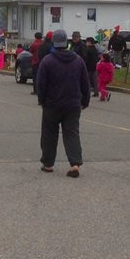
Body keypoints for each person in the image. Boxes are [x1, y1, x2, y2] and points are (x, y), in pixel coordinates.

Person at [36, 29, 90, 178]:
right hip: (73, 104)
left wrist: (41, 100)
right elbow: (85, 83)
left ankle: (48, 164)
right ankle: (75, 164)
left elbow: (41, 84)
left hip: (52, 104)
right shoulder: (78, 60)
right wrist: (85, 101)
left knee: (49, 134)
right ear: (66, 43)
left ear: (54, 42)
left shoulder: (47, 61)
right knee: (72, 133)